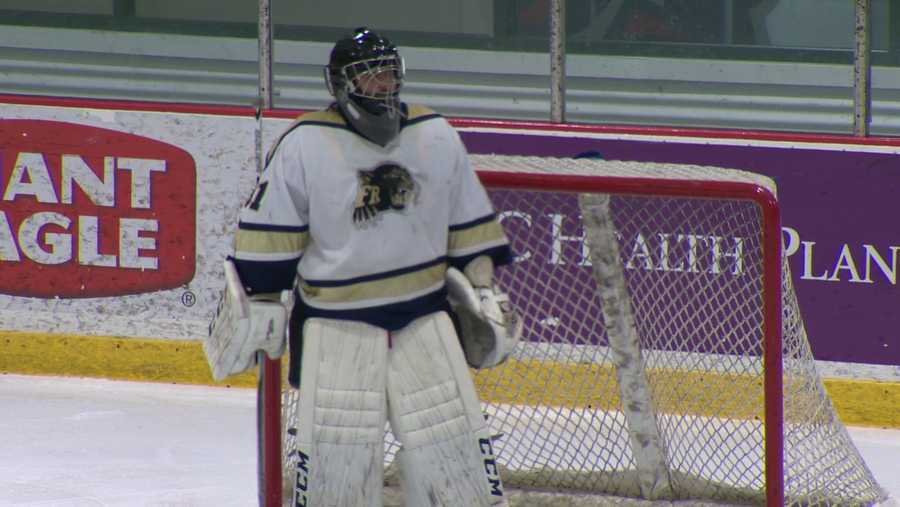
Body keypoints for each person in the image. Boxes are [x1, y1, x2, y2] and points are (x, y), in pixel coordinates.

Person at [229, 27, 514, 507]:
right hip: (336, 323)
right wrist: (260, 299)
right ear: (341, 83)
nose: (382, 84)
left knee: (455, 451)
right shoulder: (306, 142)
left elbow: (468, 223)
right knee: (337, 464)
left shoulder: (434, 132)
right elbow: (268, 234)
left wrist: (482, 289)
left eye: (388, 72)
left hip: (424, 315)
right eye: (369, 75)